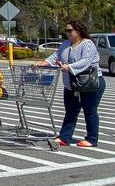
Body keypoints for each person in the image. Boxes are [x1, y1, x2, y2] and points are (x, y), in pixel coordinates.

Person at [43, 19, 104, 147]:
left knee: (90, 110)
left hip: (90, 82)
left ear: (78, 30)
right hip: (71, 83)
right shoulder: (65, 44)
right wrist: (44, 63)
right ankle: (65, 137)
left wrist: (69, 67)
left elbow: (85, 62)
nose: (68, 33)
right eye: (66, 30)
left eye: (70, 30)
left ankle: (92, 139)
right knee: (71, 110)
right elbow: (56, 56)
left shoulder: (87, 44)